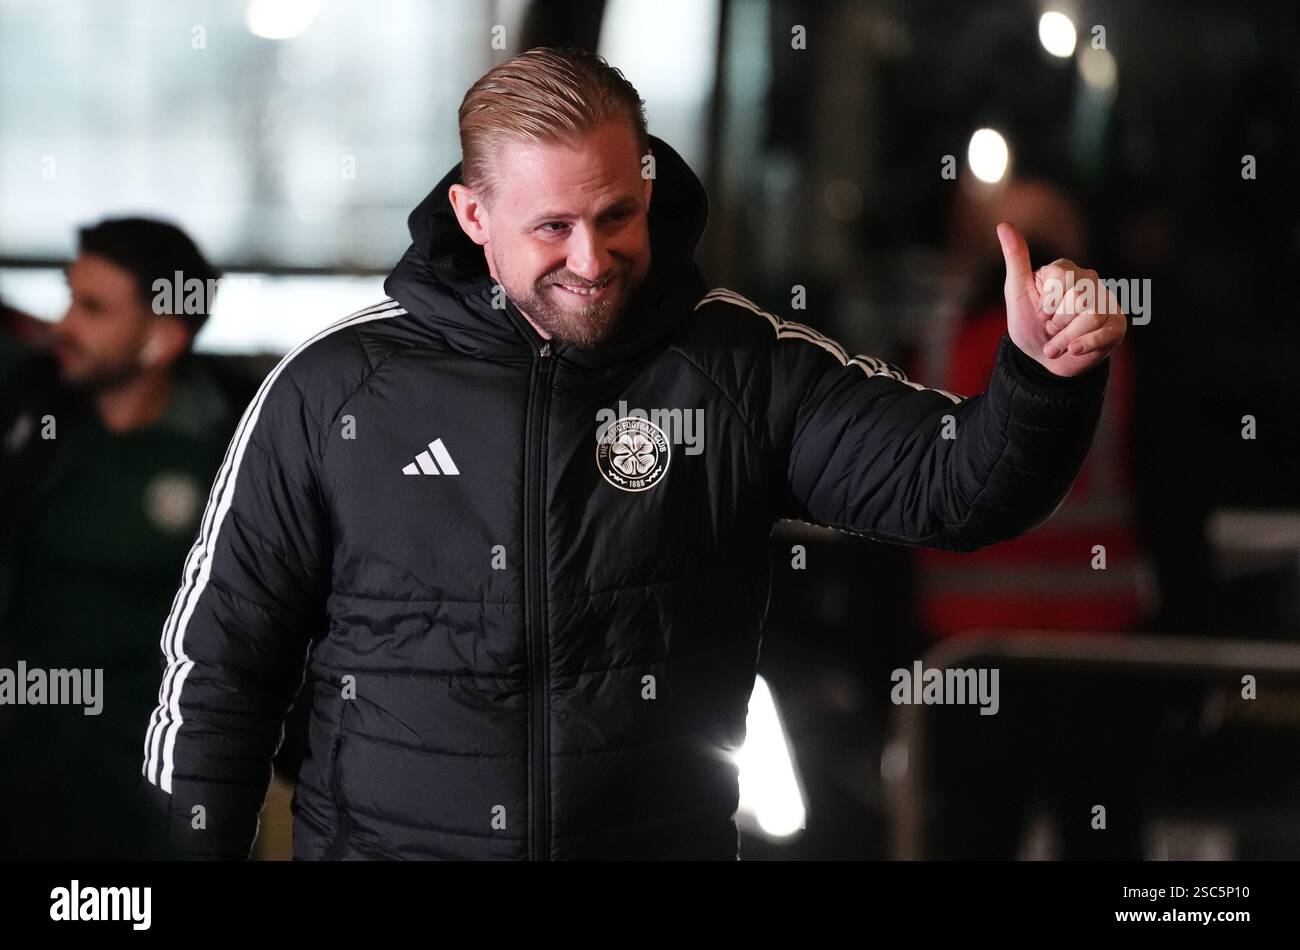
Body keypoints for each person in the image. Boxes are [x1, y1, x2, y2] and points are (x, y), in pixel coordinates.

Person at [140, 46, 1127, 860]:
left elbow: (953, 487)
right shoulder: (334, 388)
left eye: (616, 214)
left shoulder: (737, 366)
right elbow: (218, 663)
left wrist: (1038, 379)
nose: (591, 256)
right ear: (473, 217)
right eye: (553, 226)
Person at [0, 217, 240, 858]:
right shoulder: (31, 416)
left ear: (161, 338)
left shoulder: (230, 453)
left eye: (93, 308)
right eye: (68, 297)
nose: (63, 325)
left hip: (143, 795)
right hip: (22, 768)